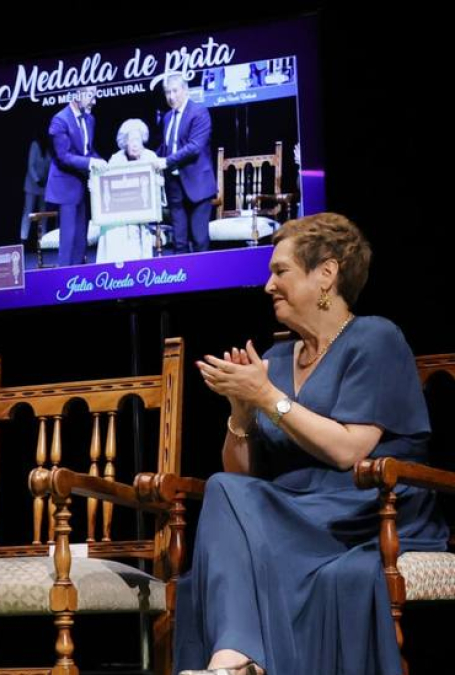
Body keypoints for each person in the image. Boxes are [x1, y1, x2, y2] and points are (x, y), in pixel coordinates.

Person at [182, 212, 448, 674]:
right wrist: (241, 411)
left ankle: (238, 661)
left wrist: (267, 396)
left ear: (326, 273)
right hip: (295, 512)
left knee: (232, 506)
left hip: (364, 510)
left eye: (280, 271)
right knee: (225, 487)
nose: (268, 286)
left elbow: (350, 450)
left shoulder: (375, 338)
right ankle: (234, 662)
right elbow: (243, 476)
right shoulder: (276, 358)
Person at [45, 85, 108, 266]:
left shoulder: (90, 119)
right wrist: (91, 163)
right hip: (66, 185)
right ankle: (63, 276)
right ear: (77, 95)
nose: (94, 102)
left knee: (81, 236)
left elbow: (88, 151)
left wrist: (104, 162)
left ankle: (79, 277)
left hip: (84, 184)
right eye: (91, 96)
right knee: (69, 237)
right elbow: (63, 156)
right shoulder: (59, 120)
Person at [155, 73, 217, 254]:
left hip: (197, 185)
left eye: (175, 91)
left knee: (199, 240)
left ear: (185, 90)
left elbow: (194, 147)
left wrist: (166, 162)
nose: (171, 96)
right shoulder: (167, 117)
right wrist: (148, 158)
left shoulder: (199, 112)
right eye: (167, 92)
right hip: (174, 186)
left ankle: (205, 280)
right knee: (179, 242)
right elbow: (166, 147)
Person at [97, 119, 164, 263]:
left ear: (143, 140)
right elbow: (108, 189)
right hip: (121, 214)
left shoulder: (151, 157)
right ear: (124, 142)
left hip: (145, 215)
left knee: (136, 225)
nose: (134, 144)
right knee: (112, 229)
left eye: (138, 140)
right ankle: (116, 267)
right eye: (130, 140)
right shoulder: (116, 159)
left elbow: (159, 189)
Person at [20, 128, 53, 242]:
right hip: (32, 184)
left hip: (43, 185)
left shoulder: (49, 149)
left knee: (43, 212)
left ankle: (42, 239)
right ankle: (23, 239)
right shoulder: (34, 145)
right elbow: (30, 166)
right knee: (28, 211)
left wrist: (47, 179)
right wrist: (38, 180)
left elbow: (50, 166)